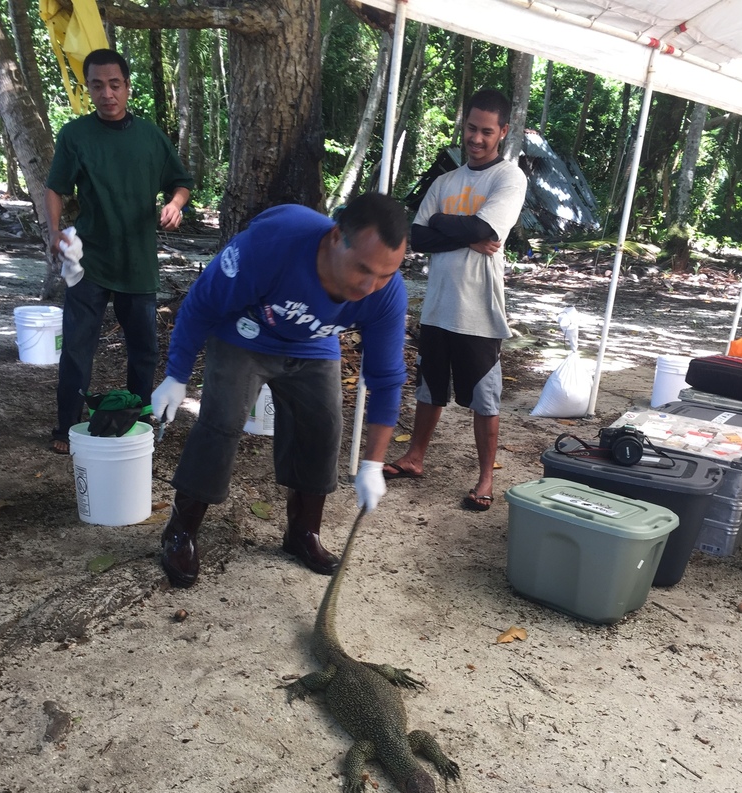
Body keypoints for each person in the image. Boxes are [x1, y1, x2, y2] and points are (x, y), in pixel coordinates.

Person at [150, 192, 409, 588]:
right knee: (222, 422)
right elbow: (202, 302)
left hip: (313, 343)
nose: (372, 285)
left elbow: (387, 377)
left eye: (386, 274)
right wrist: (176, 375)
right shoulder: (273, 245)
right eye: (363, 270)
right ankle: (181, 530)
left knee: (323, 425)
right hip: (245, 332)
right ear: (337, 236)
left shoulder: (385, 293)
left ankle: (303, 532)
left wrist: (373, 463)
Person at [383, 88, 527, 511]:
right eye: (470, 128)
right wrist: (465, 232)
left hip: (479, 310)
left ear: (502, 132)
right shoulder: (446, 181)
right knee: (429, 388)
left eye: (486, 131)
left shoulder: (509, 178)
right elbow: (417, 235)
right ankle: (414, 458)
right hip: (438, 306)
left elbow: (484, 227)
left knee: (485, 397)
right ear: (462, 125)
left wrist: (449, 227)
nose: (476, 138)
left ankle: (485, 479)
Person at [44, 48, 193, 454]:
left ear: (127, 87)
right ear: (88, 88)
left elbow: (181, 181)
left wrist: (175, 204)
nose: (107, 93)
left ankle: (138, 418)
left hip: (138, 261)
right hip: (90, 259)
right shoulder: (76, 135)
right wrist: (54, 231)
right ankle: (66, 426)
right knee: (77, 347)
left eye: (114, 85)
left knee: (144, 349)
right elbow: (55, 187)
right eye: (97, 85)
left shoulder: (150, 136)